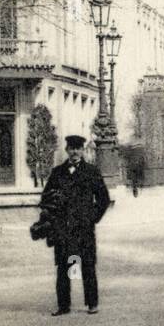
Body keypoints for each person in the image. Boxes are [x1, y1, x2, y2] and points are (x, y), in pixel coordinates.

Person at [40, 134, 111, 316]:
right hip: (63, 228)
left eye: (78, 148)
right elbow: (46, 199)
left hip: (84, 228)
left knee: (87, 264)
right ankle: (63, 305)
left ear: (83, 150)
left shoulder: (91, 172)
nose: (75, 152)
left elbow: (104, 199)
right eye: (71, 148)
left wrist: (92, 217)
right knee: (64, 266)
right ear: (66, 150)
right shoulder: (57, 173)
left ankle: (92, 303)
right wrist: (53, 218)